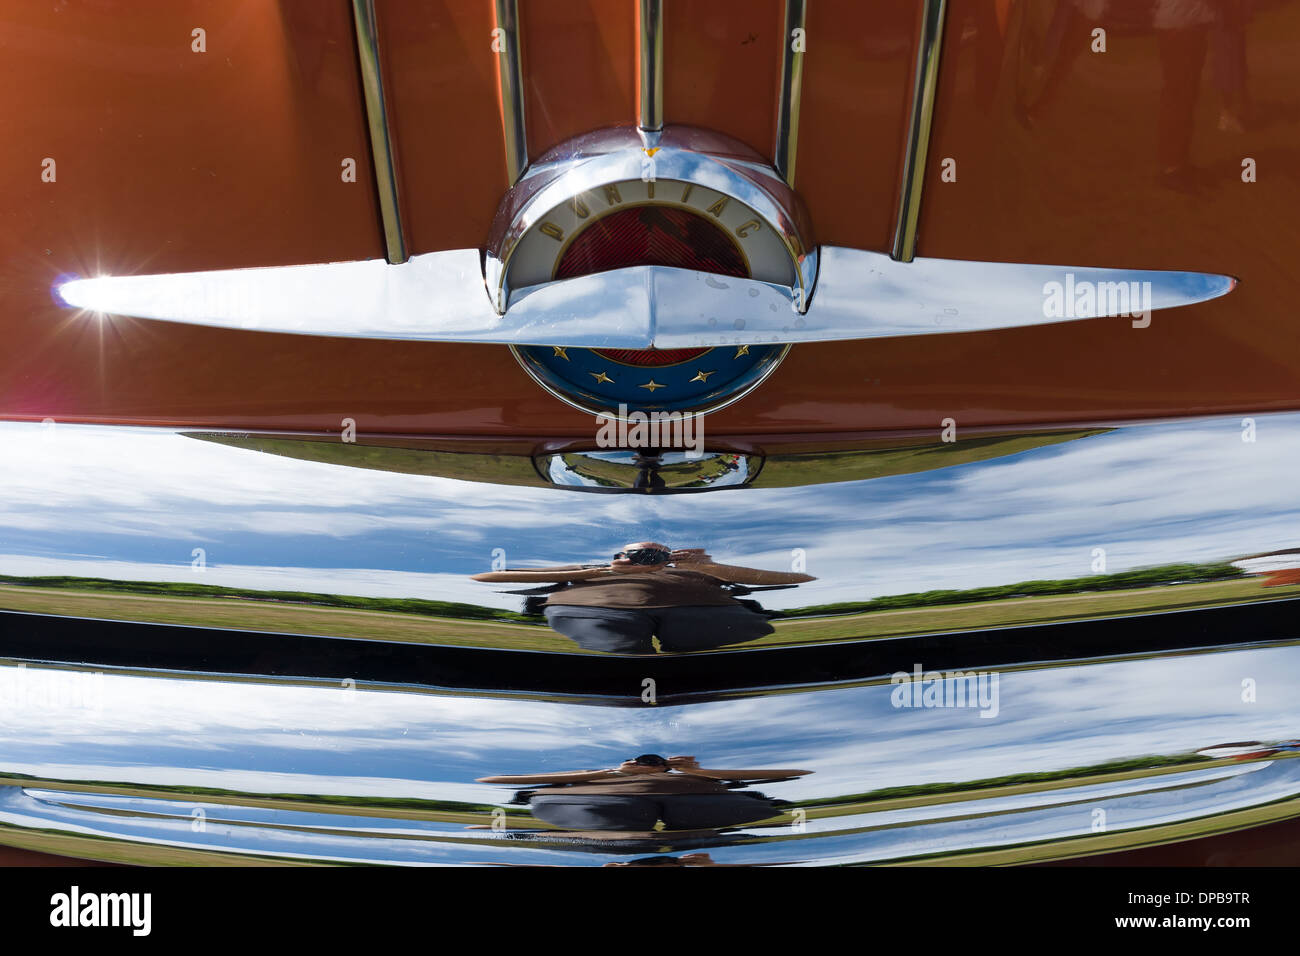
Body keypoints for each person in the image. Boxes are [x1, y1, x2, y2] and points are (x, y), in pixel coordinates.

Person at [471, 542, 815, 654]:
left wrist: (714, 566)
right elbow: (489, 577)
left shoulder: (697, 569)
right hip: (596, 608)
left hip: (702, 609)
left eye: (654, 554)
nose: (641, 561)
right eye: (631, 553)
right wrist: (595, 573)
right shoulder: (595, 568)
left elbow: (797, 579)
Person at [477, 754, 811, 833]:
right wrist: (609, 772)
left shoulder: (696, 779)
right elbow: (497, 780)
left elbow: (794, 775)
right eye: (636, 761)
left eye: (653, 763)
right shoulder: (596, 779)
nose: (642, 764)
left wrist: (694, 772)